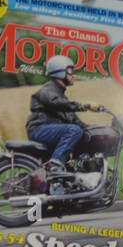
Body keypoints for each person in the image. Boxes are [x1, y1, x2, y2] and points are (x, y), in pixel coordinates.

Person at [26, 56, 99, 191]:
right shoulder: (48, 89)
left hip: (48, 129)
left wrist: (93, 129)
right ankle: (55, 167)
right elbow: (56, 102)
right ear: (59, 72)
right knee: (73, 131)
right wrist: (82, 106)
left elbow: (73, 119)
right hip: (39, 129)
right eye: (70, 71)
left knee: (79, 131)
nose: (73, 75)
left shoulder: (61, 94)